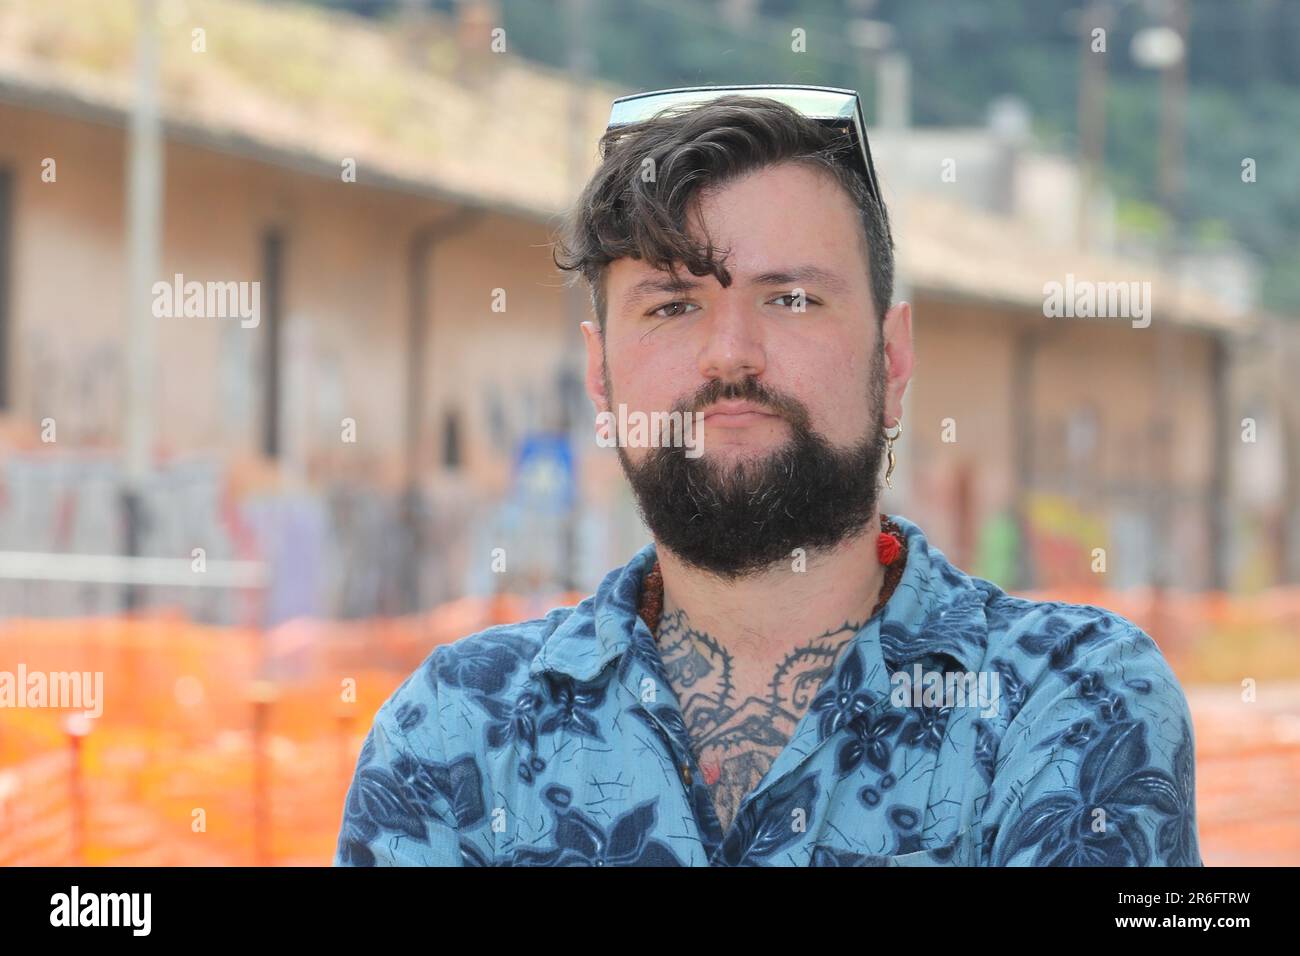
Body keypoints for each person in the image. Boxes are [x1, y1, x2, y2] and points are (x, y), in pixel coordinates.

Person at [334, 90, 1201, 866]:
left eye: (790, 298)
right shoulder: (454, 735)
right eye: (673, 305)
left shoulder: (1073, 698)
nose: (731, 353)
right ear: (600, 377)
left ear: (892, 359)